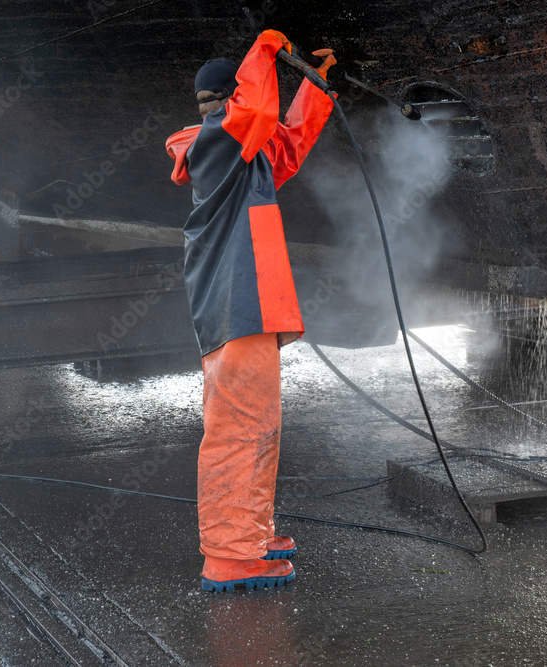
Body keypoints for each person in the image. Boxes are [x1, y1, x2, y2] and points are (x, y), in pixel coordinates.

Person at [164, 29, 336, 592]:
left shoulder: (245, 157)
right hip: (234, 309)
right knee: (237, 430)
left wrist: (314, 85)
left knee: (259, 426)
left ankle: (251, 532)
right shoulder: (213, 144)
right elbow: (256, 110)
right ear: (226, 101)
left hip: (253, 306)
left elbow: (287, 143)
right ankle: (229, 554)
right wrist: (261, 55)